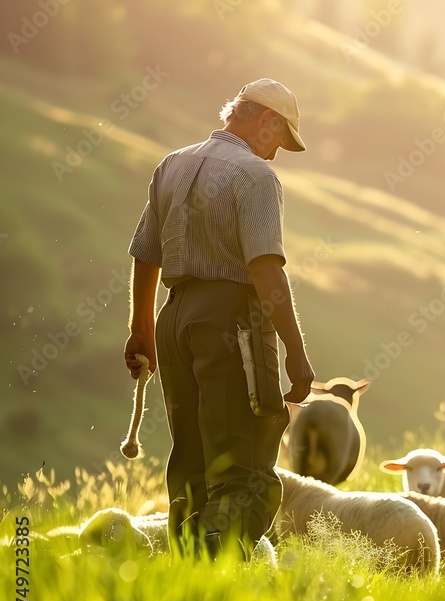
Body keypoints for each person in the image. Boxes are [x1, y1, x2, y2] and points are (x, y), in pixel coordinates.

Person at [123, 78, 315, 558]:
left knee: (190, 457)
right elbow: (265, 269)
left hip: (174, 321)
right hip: (233, 320)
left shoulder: (173, 164)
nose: (275, 154)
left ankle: (188, 578)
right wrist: (296, 351)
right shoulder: (255, 176)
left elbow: (146, 255)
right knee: (244, 465)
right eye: (279, 139)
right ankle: (217, 569)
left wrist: (141, 330)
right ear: (265, 120)